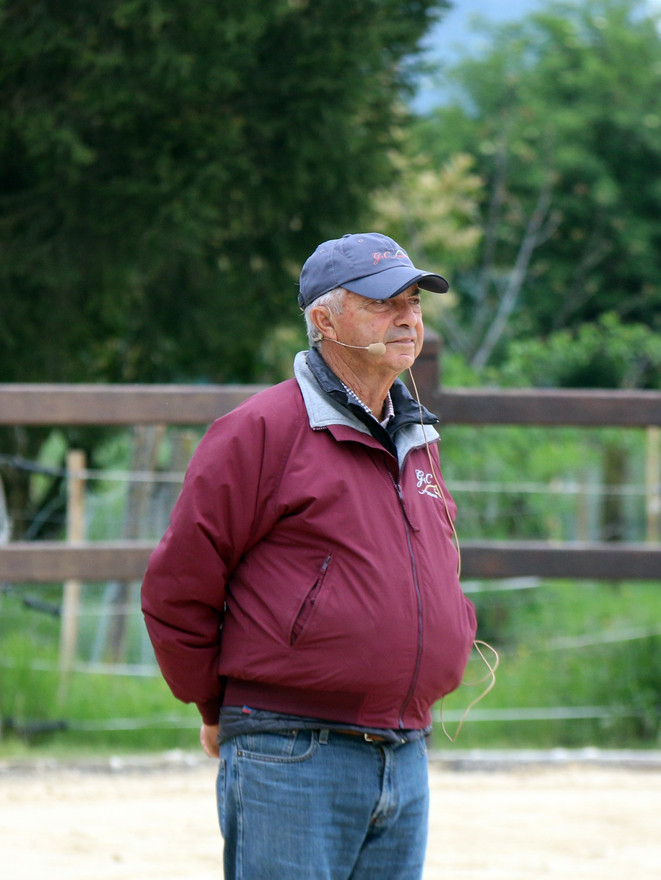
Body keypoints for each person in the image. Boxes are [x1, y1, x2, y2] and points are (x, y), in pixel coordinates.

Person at [141, 232, 478, 880]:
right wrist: (217, 707)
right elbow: (176, 590)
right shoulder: (258, 431)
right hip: (291, 751)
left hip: (404, 752)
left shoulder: (416, 437)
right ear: (323, 320)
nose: (407, 317)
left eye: (412, 300)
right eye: (383, 302)